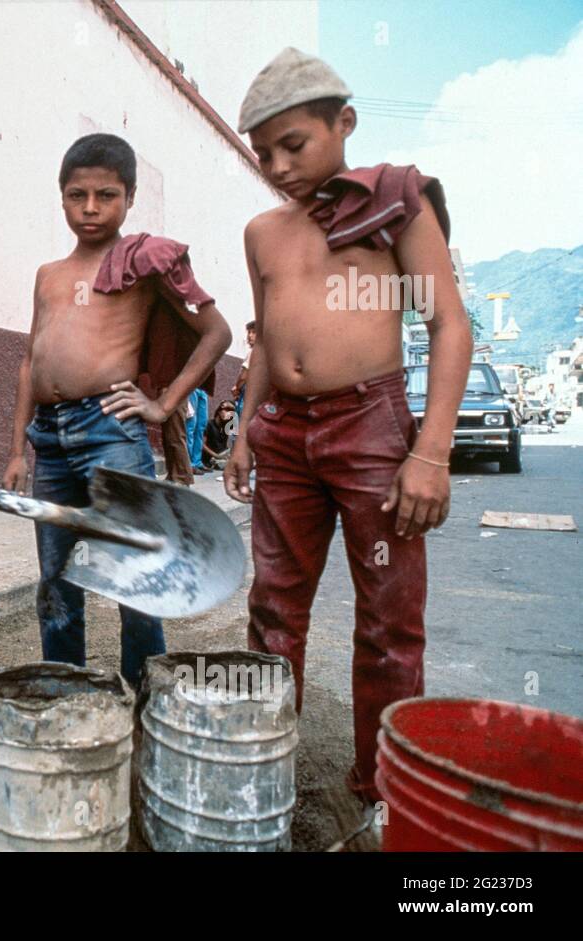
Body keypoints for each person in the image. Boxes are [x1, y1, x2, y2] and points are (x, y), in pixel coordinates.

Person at [226, 48, 471, 807]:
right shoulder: (263, 232)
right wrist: (243, 429)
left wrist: (430, 451)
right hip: (284, 435)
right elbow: (265, 338)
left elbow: (450, 324)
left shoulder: (392, 203)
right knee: (272, 611)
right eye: (262, 153)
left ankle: (382, 796)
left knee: (389, 625)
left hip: (371, 424)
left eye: (292, 145)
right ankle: (261, 780)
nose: (277, 166)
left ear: (346, 123)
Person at [3, 133, 230, 688]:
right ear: (61, 198)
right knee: (55, 581)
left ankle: (143, 705)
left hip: (111, 433)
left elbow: (216, 333)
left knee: (137, 580)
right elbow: (31, 360)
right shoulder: (48, 275)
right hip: (49, 443)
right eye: (77, 195)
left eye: (106, 195)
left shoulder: (144, 262)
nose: (90, 208)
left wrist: (162, 405)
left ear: (129, 198)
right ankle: (65, 694)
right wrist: (16, 450)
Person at [201, 399, 235, 470]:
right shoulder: (209, 424)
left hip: (223, 455)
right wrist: (216, 455)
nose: (228, 413)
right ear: (219, 411)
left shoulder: (227, 426)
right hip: (211, 457)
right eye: (226, 410)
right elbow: (202, 445)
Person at [186, 386, 209, 473]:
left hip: (203, 386)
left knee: (201, 425)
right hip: (192, 385)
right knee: (191, 425)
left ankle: (197, 462)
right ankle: (189, 463)